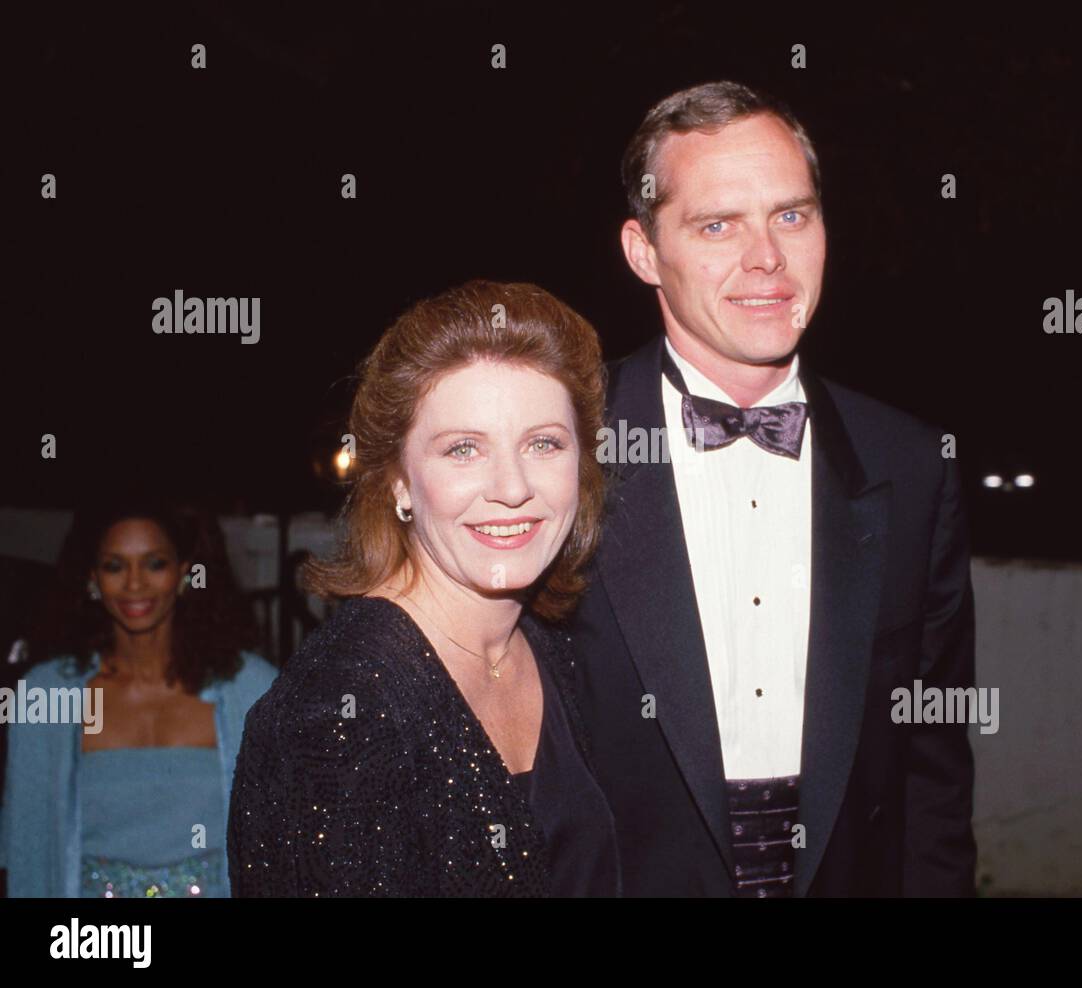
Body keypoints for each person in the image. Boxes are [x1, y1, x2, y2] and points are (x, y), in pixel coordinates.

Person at [569, 81, 978, 896]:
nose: (767, 258)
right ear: (643, 250)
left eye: (791, 215)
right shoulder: (559, 446)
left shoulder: (912, 463)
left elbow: (932, 774)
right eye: (717, 225)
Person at [227, 280, 620, 897]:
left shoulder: (550, 646)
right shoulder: (332, 719)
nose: (512, 487)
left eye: (543, 443)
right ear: (398, 483)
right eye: (463, 449)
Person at [0, 498, 276, 897]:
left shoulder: (250, 688)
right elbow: (28, 850)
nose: (134, 583)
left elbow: (285, 844)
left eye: (154, 563)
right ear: (92, 578)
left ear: (184, 572)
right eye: (115, 566)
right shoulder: (47, 696)